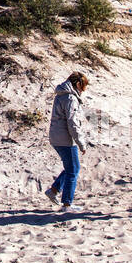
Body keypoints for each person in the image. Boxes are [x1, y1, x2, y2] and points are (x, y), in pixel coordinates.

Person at [45, 72, 89, 210]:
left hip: (56, 137)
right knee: (73, 170)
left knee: (70, 168)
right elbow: (72, 123)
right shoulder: (70, 98)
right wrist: (81, 143)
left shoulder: (61, 96)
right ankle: (67, 204)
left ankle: (54, 191)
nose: (83, 91)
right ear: (77, 85)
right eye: (83, 87)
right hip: (65, 139)